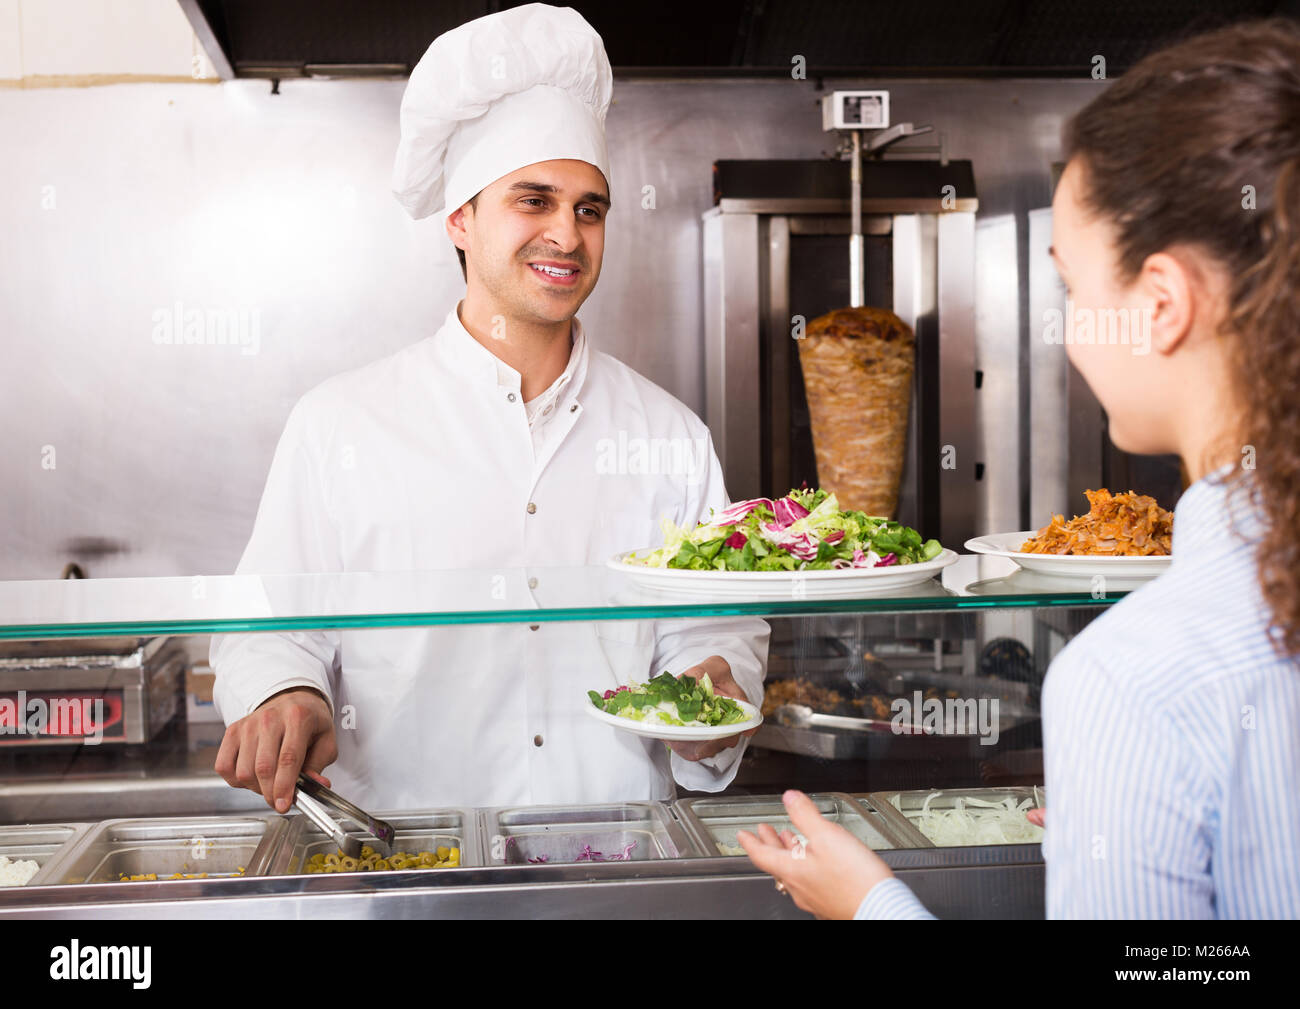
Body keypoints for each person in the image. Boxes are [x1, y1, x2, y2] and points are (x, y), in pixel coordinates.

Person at [740, 17, 1300, 919]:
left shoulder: (1134, 677)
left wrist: (870, 902)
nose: (1070, 324)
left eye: (1073, 287)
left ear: (1160, 305)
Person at [209, 4, 768, 813]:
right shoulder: (342, 426)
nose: (567, 237)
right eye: (533, 201)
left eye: (588, 208)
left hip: (613, 875)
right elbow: (271, 623)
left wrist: (718, 686)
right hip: (404, 871)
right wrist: (287, 693)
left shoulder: (669, 437)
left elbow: (716, 634)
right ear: (461, 218)